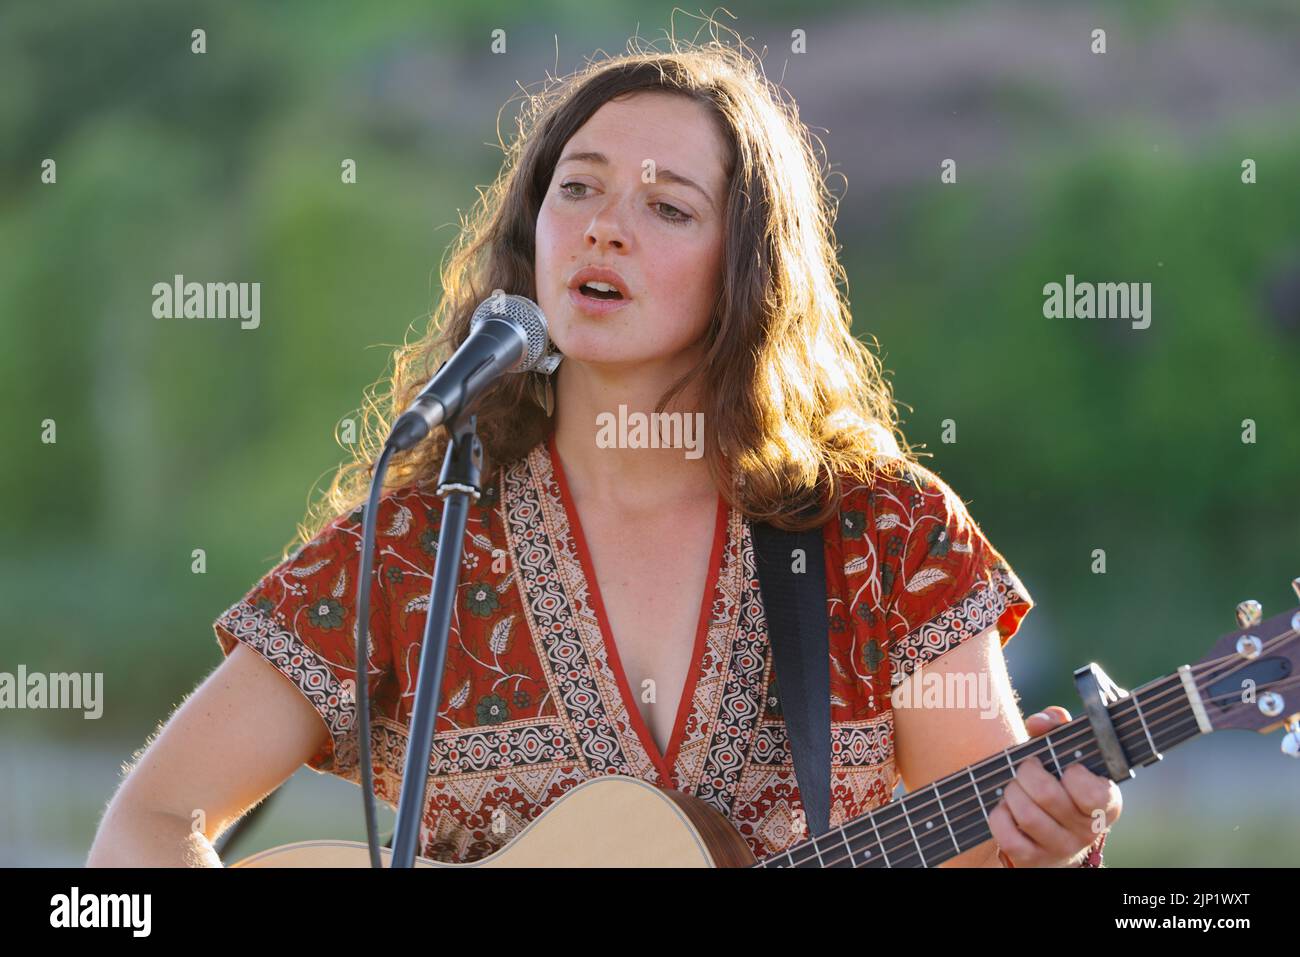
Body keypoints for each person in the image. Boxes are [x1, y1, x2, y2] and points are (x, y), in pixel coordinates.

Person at [88, 36, 1118, 868]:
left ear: (748, 273)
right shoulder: (418, 541)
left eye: (667, 208)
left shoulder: (887, 535)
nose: (604, 230)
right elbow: (148, 823)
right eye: (576, 190)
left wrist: (1046, 852)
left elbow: (984, 846)